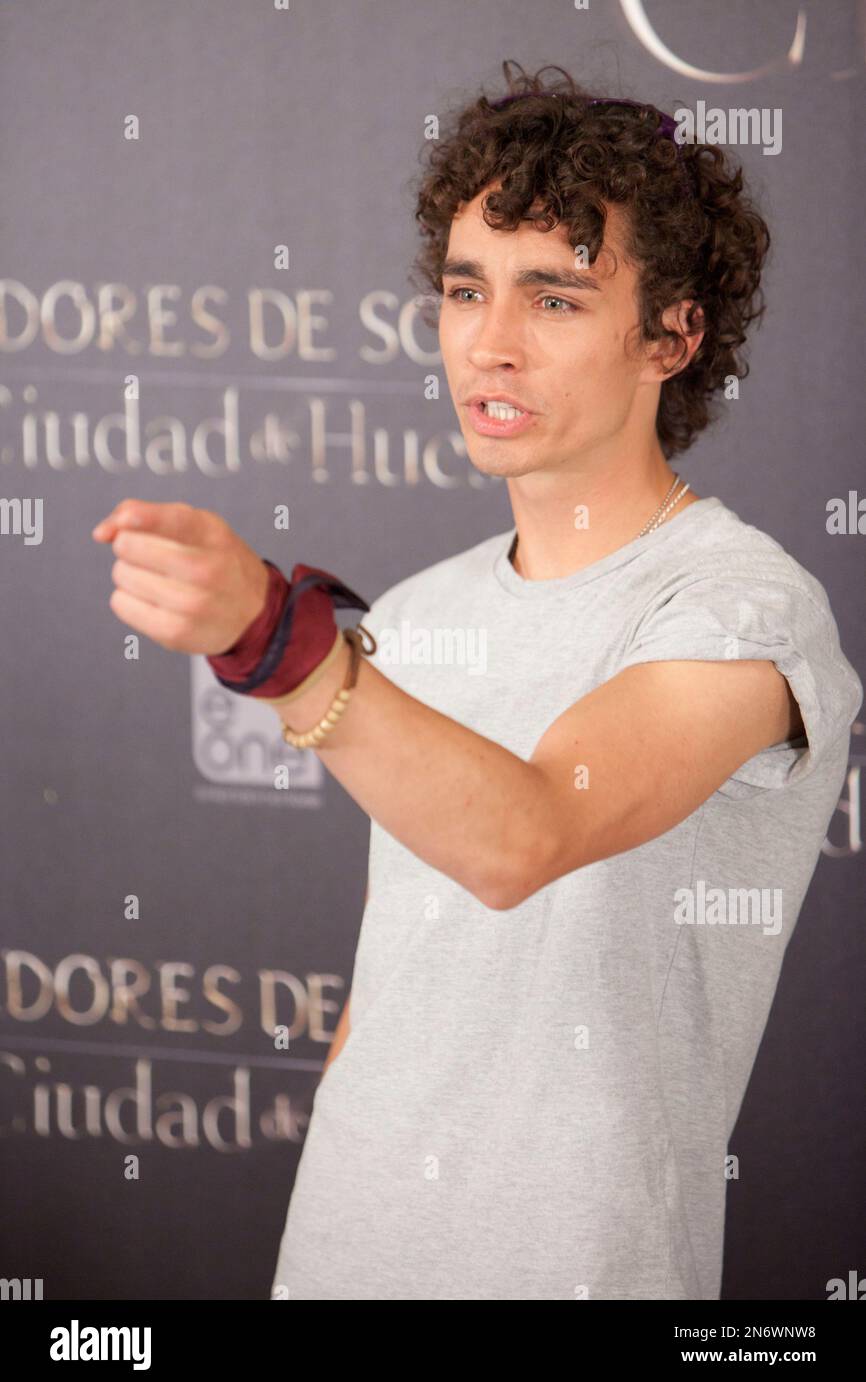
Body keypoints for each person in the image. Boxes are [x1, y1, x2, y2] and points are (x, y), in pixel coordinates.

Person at [92, 62, 862, 1300]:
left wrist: (274, 641)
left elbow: (524, 834)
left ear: (671, 335)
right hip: (340, 1251)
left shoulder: (743, 610)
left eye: (553, 298)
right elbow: (397, 974)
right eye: (465, 291)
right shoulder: (417, 613)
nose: (489, 345)